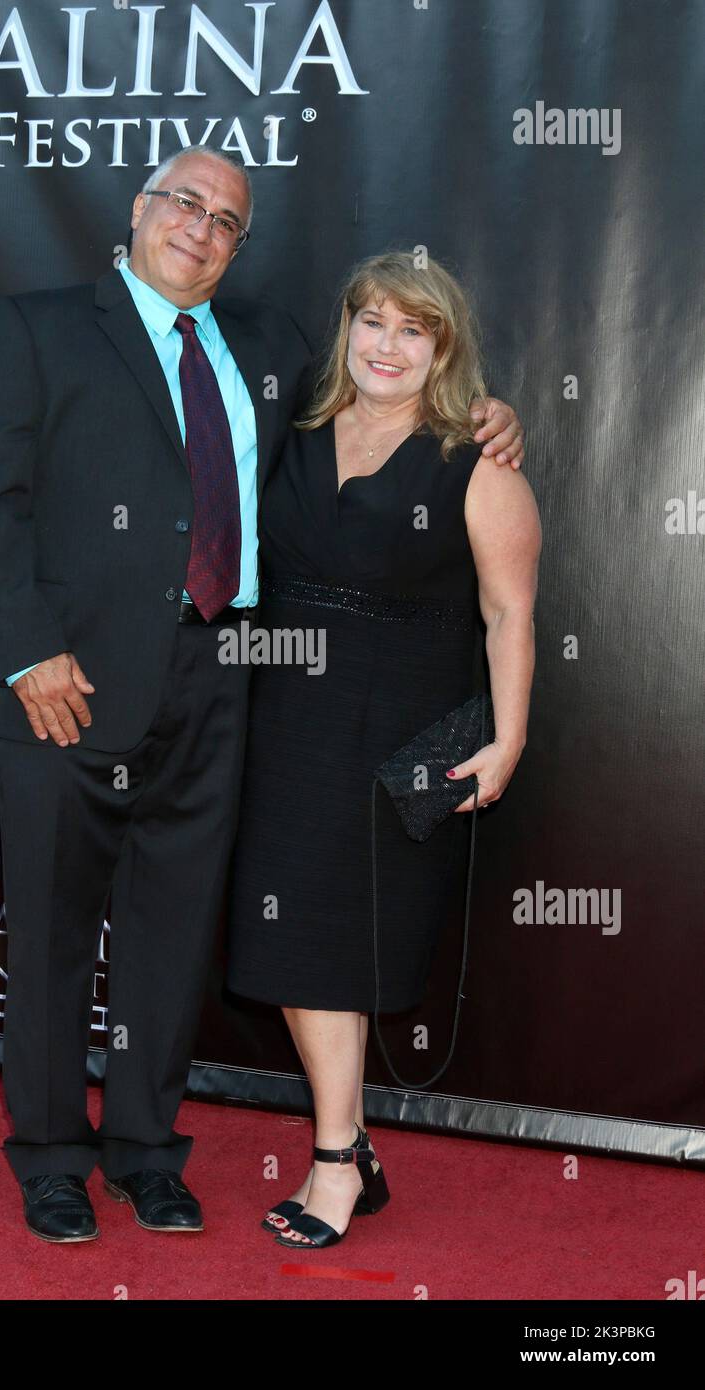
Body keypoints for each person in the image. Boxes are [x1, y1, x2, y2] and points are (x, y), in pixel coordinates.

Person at [0, 146, 524, 1243]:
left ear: (238, 244)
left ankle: (148, 1155)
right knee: (61, 931)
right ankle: (52, 1157)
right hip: (66, 682)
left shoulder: (270, 346)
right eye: (182, 203)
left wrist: (483, 413)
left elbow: (383, 394)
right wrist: (26, 653)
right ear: (138, 208)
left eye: (225, 220)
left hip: (225, 680)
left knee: (171, 935)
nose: (199, 229)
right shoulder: (38, 327)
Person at [225, 251, 541, 1250]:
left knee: (342, 949)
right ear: (346, 330)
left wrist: (507, 740)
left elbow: (509, 614)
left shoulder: (472, 461)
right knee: (289, 948)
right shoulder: (295, 432)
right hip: (283, 724)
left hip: (400, 732)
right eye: (372, 322)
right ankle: (349, 1142)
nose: (387, 345)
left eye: (415, 330)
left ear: (443, 348)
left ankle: (331, 1160)